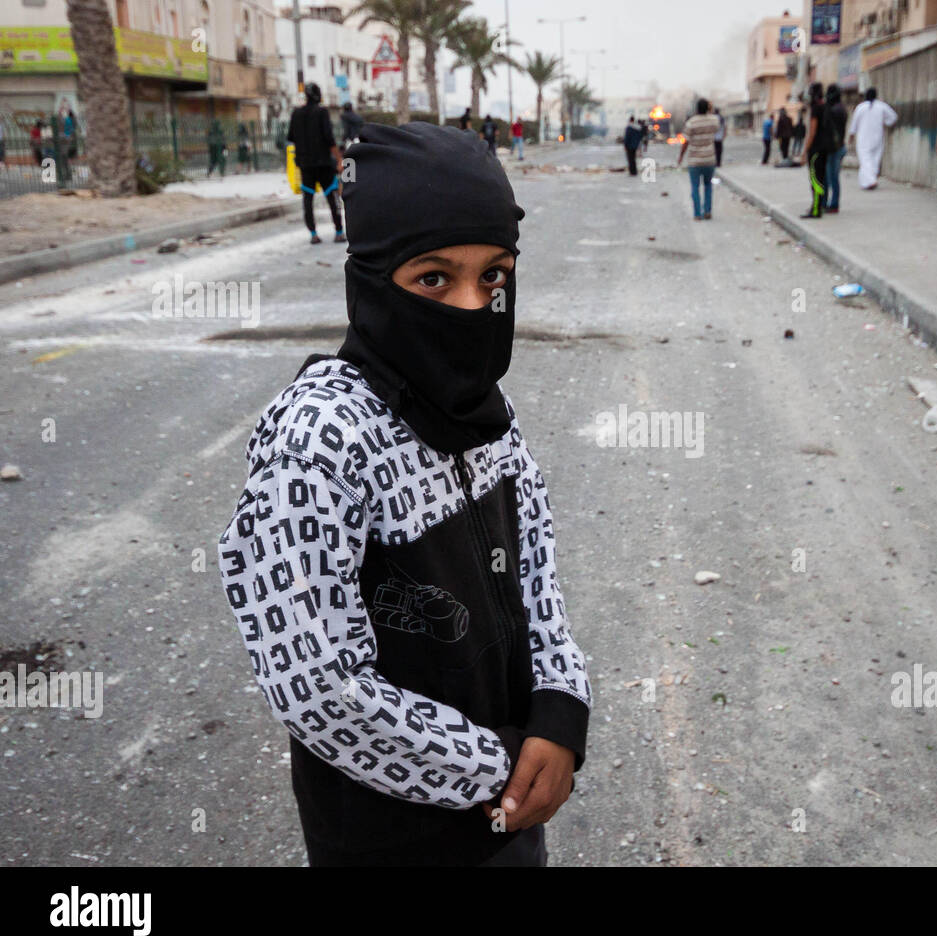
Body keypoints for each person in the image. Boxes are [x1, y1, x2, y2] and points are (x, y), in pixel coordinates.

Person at [217, 121, 590, 867]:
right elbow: (317, 684)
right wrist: (499, 766)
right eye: (432, 279)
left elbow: (537, 577)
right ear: (372, 279)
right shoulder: (319, 438)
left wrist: (559, 711)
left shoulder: (488, 413)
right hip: (389, 839)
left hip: (509, 819)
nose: (467, 306)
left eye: (494, 278)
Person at [287, 82, 344, 244]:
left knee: (308, 199)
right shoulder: (322, 112)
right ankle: (339, 232)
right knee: (332, 197)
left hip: (305, 164)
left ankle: (313, 234)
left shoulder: (296, 113)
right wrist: (339, 159)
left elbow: (291, 137)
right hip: (324, 163)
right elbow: (329, 138)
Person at [677, 97, 720, 221]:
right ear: (708, 108)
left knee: (695, 187)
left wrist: (681, 156)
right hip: (709, 159)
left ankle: (697, 214)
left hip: (694, 161)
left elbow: (685, 141)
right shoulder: (713, 120)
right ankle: (707, 211)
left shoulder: (691, 122)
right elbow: (716, 128)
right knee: (708, 186)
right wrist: (710, 111)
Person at [847, 87, 897, 190]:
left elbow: (854, 124)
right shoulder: (882, 106)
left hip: (863, 138)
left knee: (865, 160)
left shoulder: (860, 107)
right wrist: (886, 122)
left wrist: (851, 136)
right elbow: (893, 117)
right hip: (877, 137)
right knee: (874, 159)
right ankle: (867, 182)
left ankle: (871, 181)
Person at [797, 83, 831, 218]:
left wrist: (804, 151)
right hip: (825, 148)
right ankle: (818, 206)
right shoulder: (825, 106)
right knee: (821, 179)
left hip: (816, 148)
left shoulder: (816, 108)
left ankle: (816, 210)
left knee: (815, 180)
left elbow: (812, 132)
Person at [823, 84, 848, 213]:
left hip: (834, 148)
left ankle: (833, 204)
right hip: (837, 147)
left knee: (832, 177)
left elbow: (827, 125)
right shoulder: (840, 108)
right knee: (830, 177)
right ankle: (828, 203)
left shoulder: (835, 110)